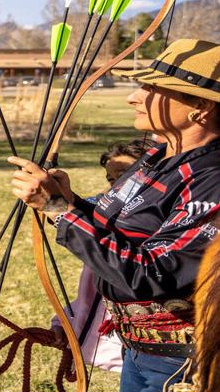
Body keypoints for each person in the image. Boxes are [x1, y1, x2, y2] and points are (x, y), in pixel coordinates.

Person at [9, 39, 220, 392]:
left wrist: (59, 210)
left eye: (152, 88)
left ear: (202, 106)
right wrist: (68, 201)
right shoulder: (161, 155)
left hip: (184, 365)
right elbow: (126, 226)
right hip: (138, 351)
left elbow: (152, 271)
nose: (134, 97)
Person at [51, 137, 157, 376]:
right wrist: (64, 321)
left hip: (147, 345)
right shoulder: (107, 208)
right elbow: (92, 295)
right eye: (111, 179)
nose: (115, 187)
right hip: (125, 350)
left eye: (125, 176)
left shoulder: (149, 220)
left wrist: (53, 204)